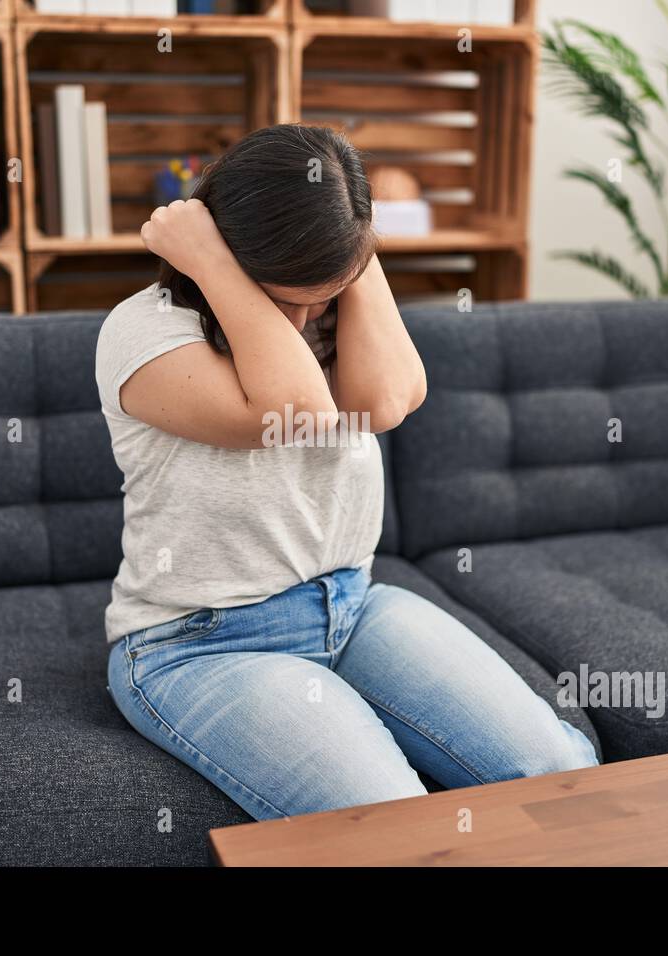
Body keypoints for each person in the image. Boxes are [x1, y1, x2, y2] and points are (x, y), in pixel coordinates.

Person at [99, 124, 598, 822]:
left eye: (325, 296)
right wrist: (213, 263)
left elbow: (385, 402)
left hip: (353, 607)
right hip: (199, 644)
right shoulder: (147, 332)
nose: (306, 318)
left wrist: (351, 248)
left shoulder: (334, 308)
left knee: (562, 776)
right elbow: (297, 408)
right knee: (394, 825)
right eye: (282, 297)